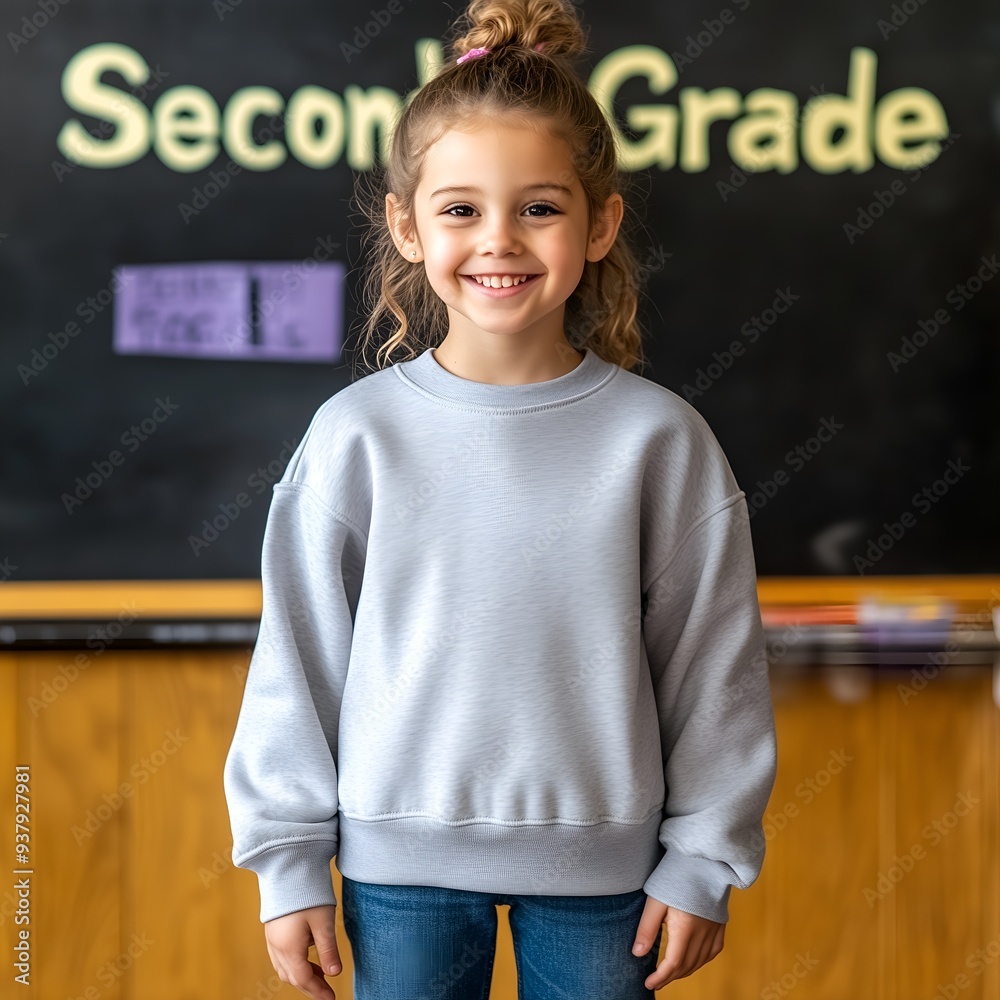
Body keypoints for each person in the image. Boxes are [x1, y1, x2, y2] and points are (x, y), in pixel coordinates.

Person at [223, 1, 778, 997]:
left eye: (540, 206)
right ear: (406, 223)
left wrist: (704, 857)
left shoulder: (658, 440)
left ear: (600, 222)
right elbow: (297, 662)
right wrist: (288, 859)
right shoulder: (357, 436)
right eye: (461, 208)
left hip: (611, 875)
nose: (500, 240)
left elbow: (713, 667)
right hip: (398, 875)